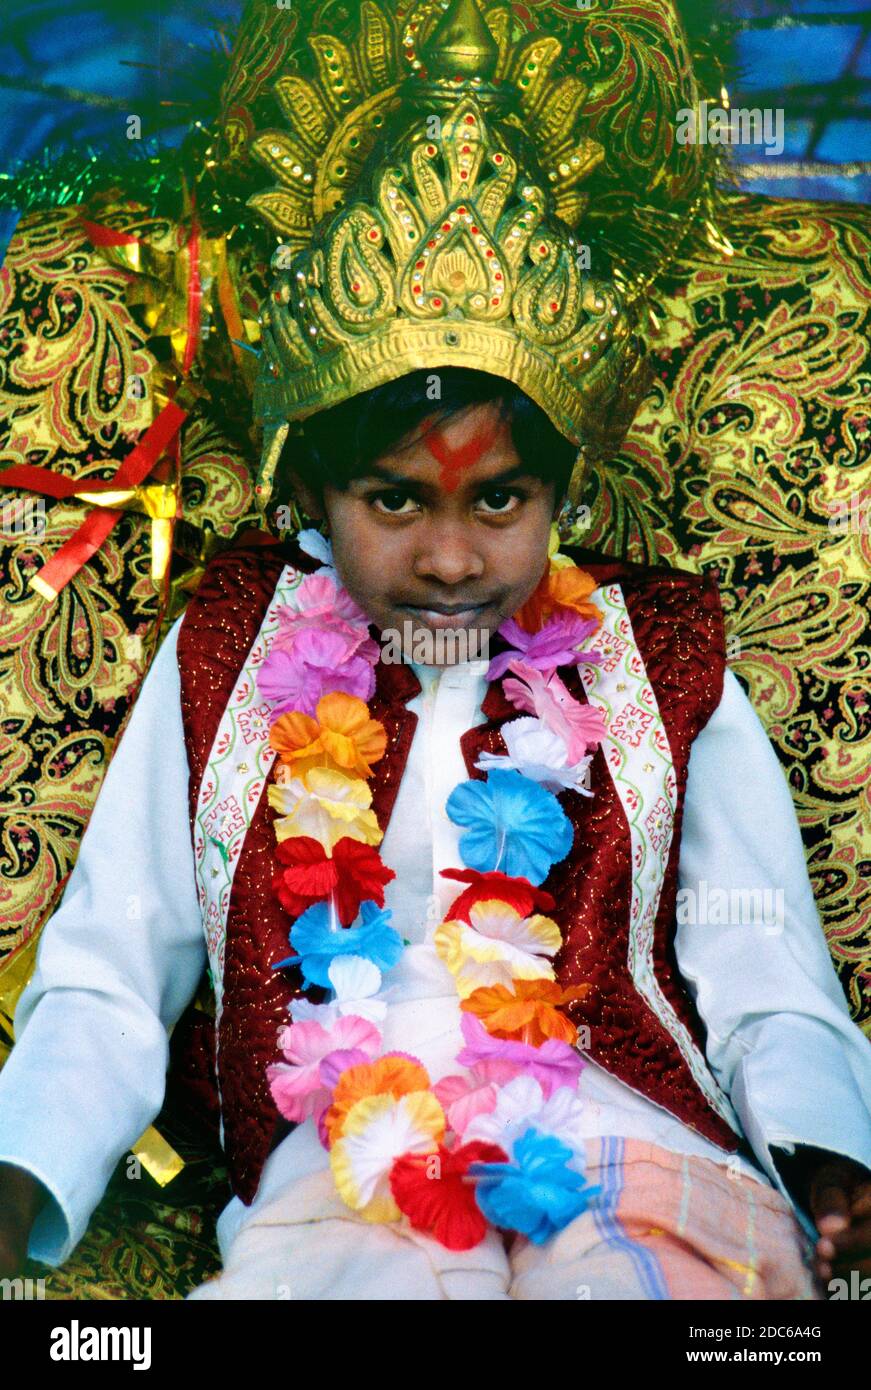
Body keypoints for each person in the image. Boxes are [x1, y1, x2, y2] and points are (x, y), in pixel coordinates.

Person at [1, 0, 870, 1300]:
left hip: (628, 1143)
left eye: (501, 500)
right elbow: (113, 974)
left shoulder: (660, 651)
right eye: (398, 501)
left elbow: (762, 967)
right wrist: (22, 1179)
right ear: (313, 494)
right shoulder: (231, 646)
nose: (455, 559)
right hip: (349, 1162)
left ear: (562, 494)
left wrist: (828, 1156)